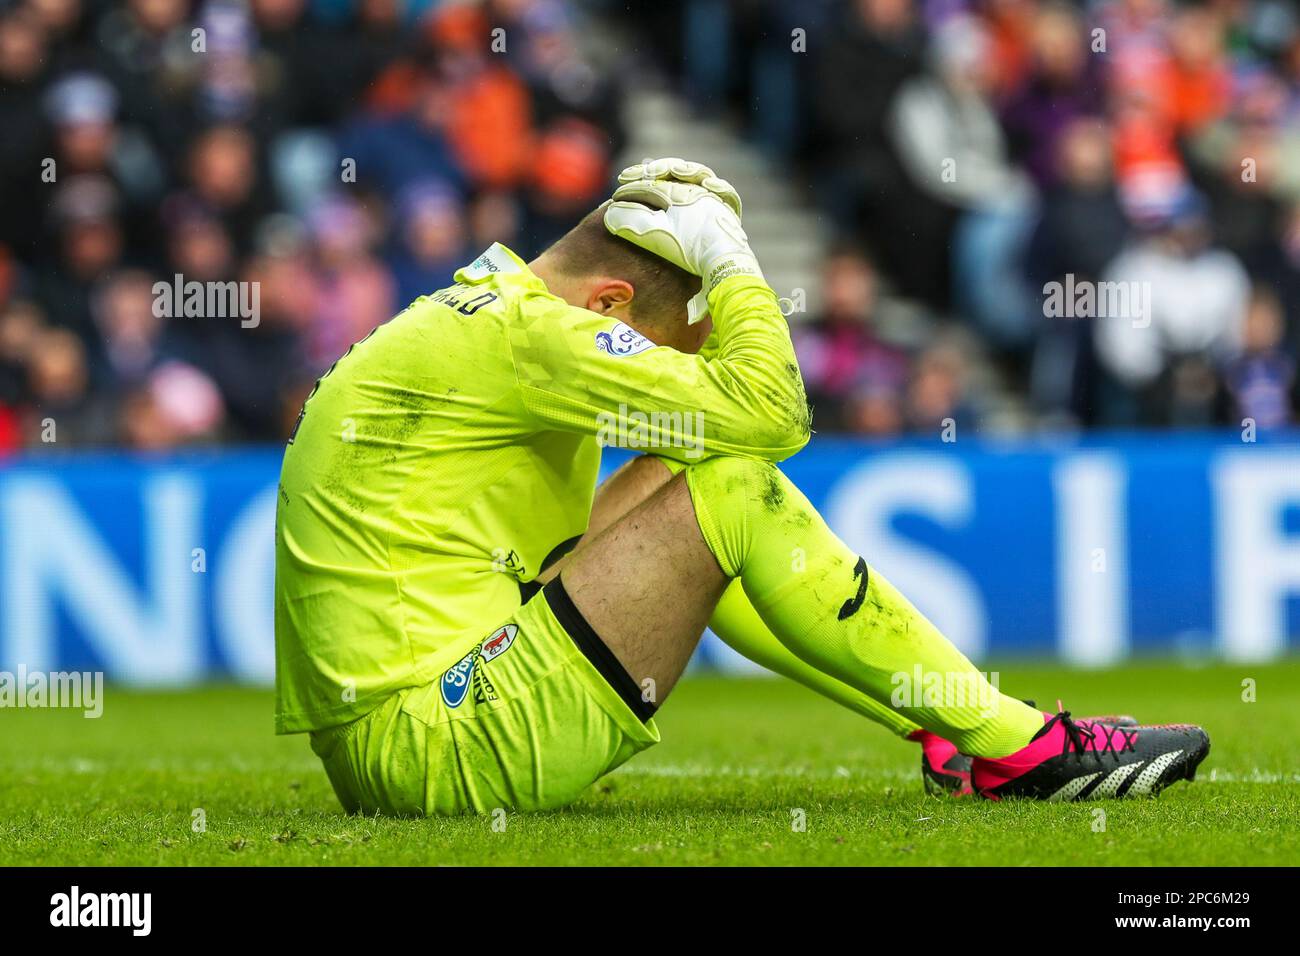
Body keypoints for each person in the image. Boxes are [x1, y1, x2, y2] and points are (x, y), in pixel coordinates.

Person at [275, 158, 1208, 816]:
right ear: (609, 307)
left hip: (410, 724)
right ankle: (1025, 749)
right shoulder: (535, 335)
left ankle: (952, 735)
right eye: (686, 339)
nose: (684, 364)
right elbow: (773, 416)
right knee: (730, 481)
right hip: (435, 747)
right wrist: (734, 267)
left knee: (682, 471)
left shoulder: (486, 315)